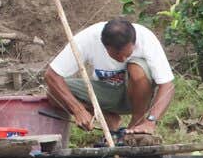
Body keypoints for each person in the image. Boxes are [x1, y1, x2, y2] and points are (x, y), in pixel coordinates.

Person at [43, 17, 175, 147]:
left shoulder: (145, 37)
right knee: (54, 94)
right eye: (117, 54)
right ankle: (108, 118)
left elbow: (167, 85)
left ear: (134, 43)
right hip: (105, 93)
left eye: (127, 54)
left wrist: (151, 121)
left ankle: (137, 123)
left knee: (137, 69)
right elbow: (52, 75)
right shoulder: (88, 39)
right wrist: (78, 110)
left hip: (138, 95)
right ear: (105, 46)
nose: (123, 59)